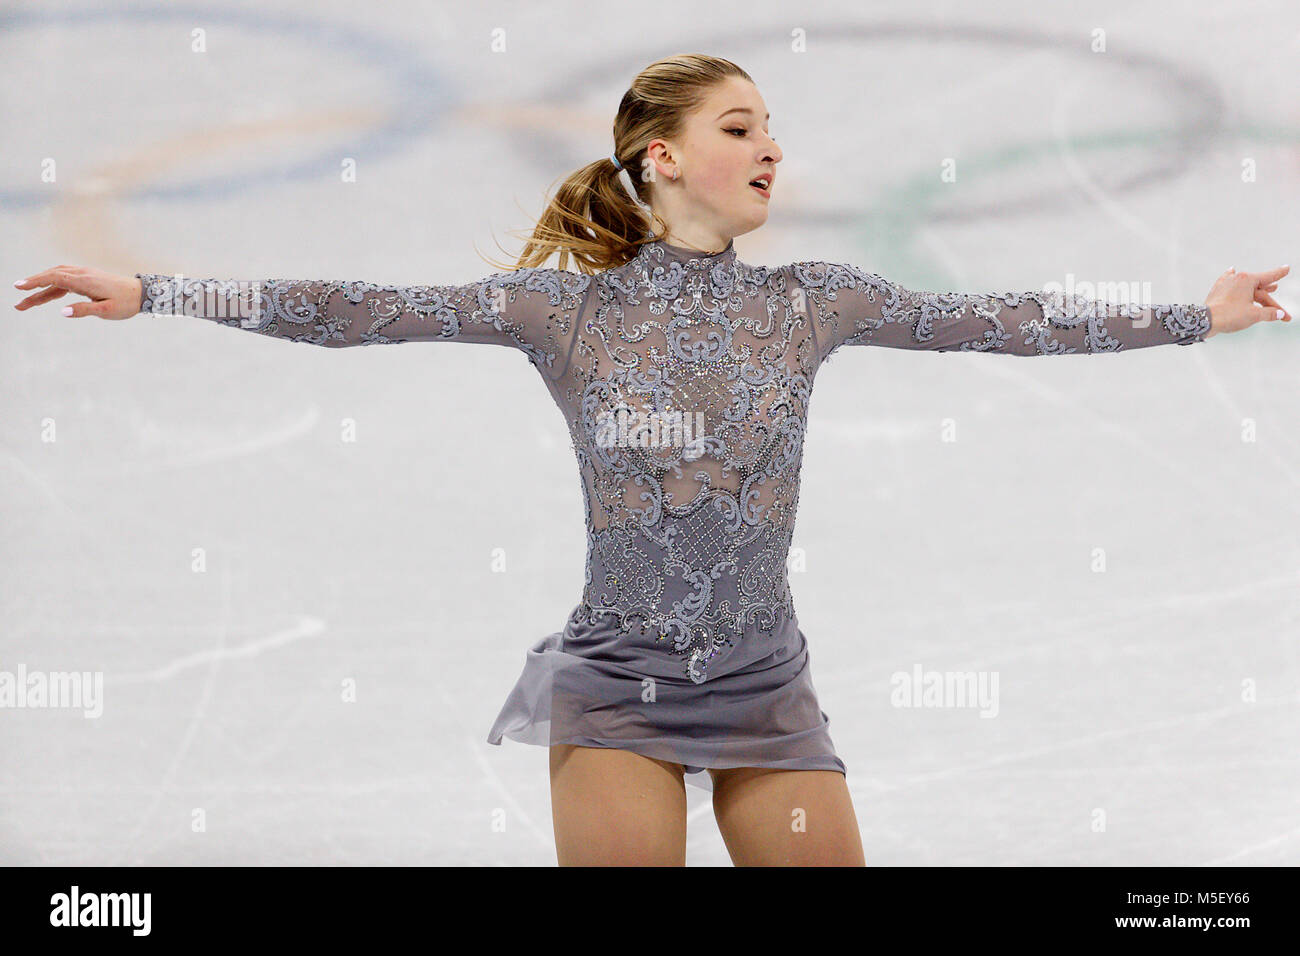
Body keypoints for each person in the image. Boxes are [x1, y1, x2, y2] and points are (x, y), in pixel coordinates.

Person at [12, 53, 1291, 867]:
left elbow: (1007, 320)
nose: (772, 146)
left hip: (765, 681)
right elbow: (358, 303)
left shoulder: (813, 297)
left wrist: (1197, 312)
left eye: (774, 127)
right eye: (742, 127)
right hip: (620, 681)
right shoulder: (561, 308)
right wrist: (155, 290)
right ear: (664, 156)